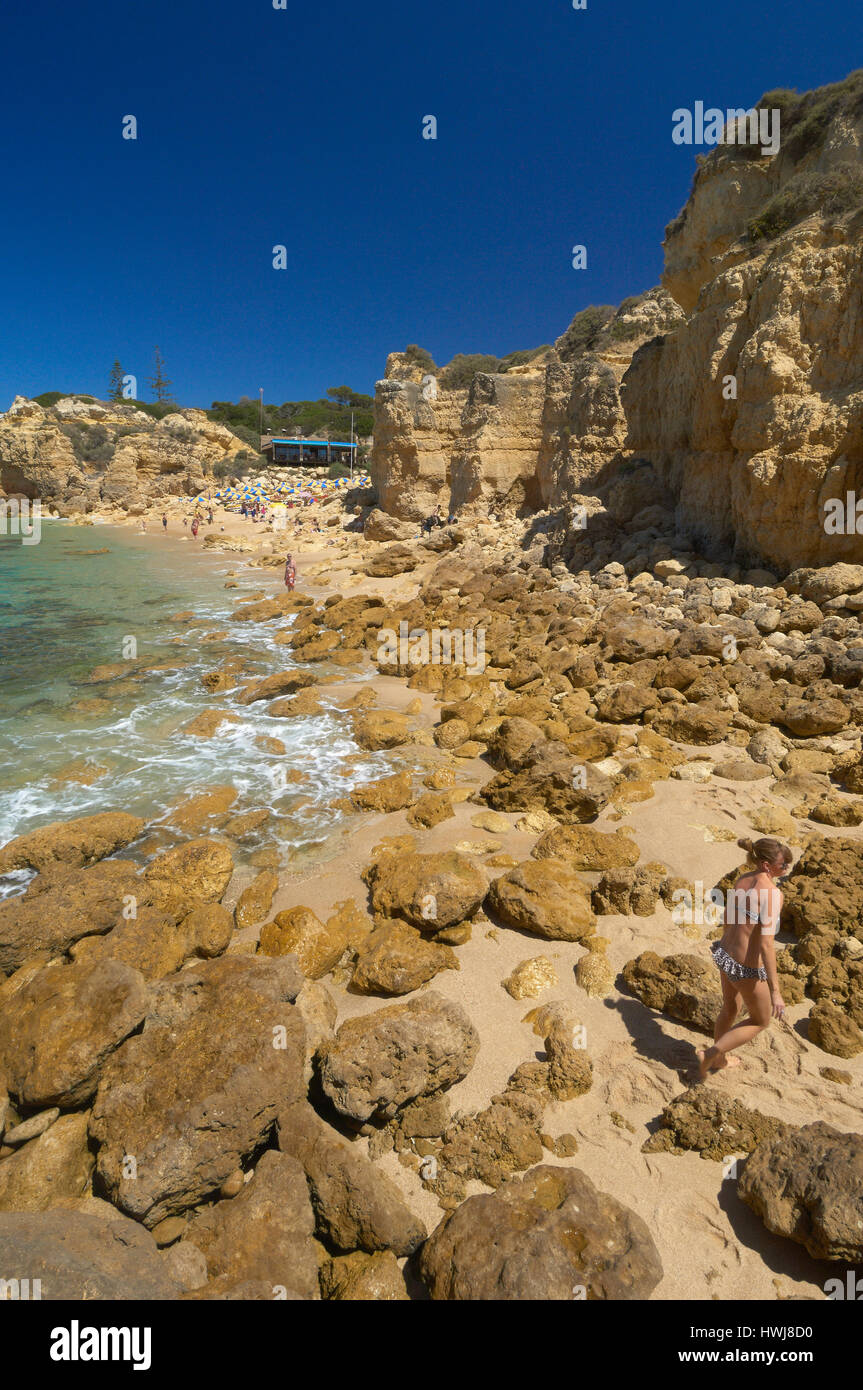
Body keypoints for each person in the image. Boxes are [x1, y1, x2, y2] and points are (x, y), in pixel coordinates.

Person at [697, 837, 793, 1080]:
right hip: (744, 968)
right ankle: (712, 1053)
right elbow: (766, 944)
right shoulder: (772, 895)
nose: (787, 869)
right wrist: (775, 992)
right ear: (766, 865)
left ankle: (719, 1059)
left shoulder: (742, 880)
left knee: (731, 1007)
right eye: (784, 865)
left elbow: (728, 919)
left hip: (723, 954)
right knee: (760, 1020)